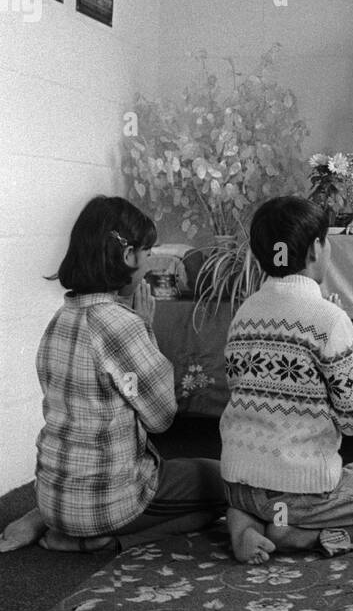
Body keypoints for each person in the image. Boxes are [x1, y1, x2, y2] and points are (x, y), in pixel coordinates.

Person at [0, 197, 225, 554]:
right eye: (148, 252)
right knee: (228, 488)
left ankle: (48, 520)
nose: (149, 261)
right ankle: (105, 541)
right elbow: (162, 418)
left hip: (52, 494)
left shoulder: (58, 320)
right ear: (128, 257)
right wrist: (148, 330)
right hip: (109, 502)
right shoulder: (123, 325)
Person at [220, 195, 353, 564]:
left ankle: (244, 523)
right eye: (327, 239)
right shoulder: (328, 319)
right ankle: (300, 536)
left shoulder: (244, 313)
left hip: (239, 484)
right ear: (317, 249)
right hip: (297, 490)